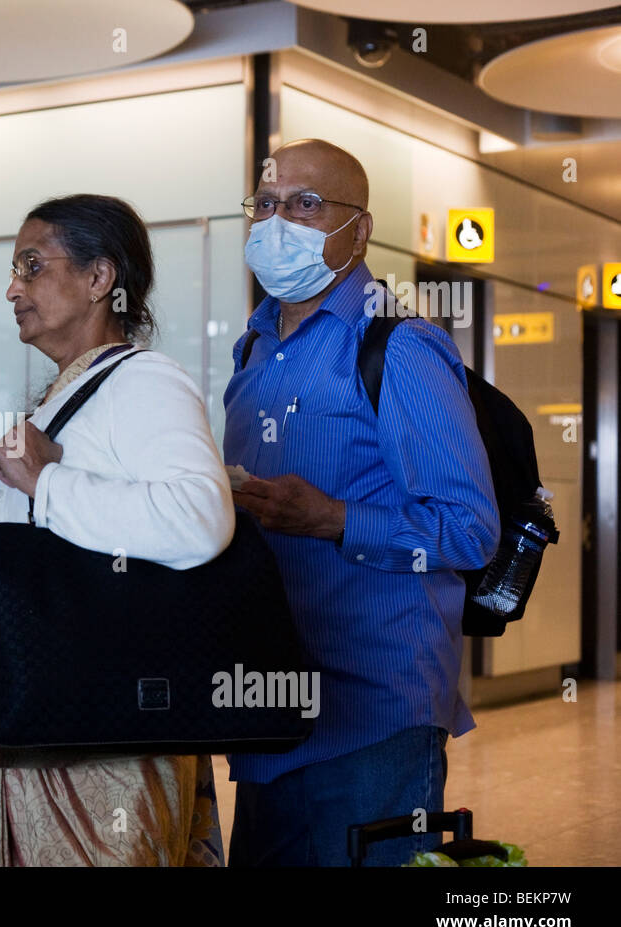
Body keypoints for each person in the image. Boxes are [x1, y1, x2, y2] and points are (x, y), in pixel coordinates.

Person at [0, 194, 234, 866]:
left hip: (89, 749)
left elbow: (199, 521)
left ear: (101, 278)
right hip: (38, 723)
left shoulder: (144, 382)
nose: (12, 288)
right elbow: (75, 563)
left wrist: (48, 483)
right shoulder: (70, 392)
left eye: (33, 266)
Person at [223, 139, 499, 866]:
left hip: (374, 713)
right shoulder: (250, 353)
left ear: (359, 229)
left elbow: (470, 530)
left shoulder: (399, 348)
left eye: (306, 204)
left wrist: (334, 519)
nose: (278, 220)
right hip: (270, 707)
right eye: (267, 203)